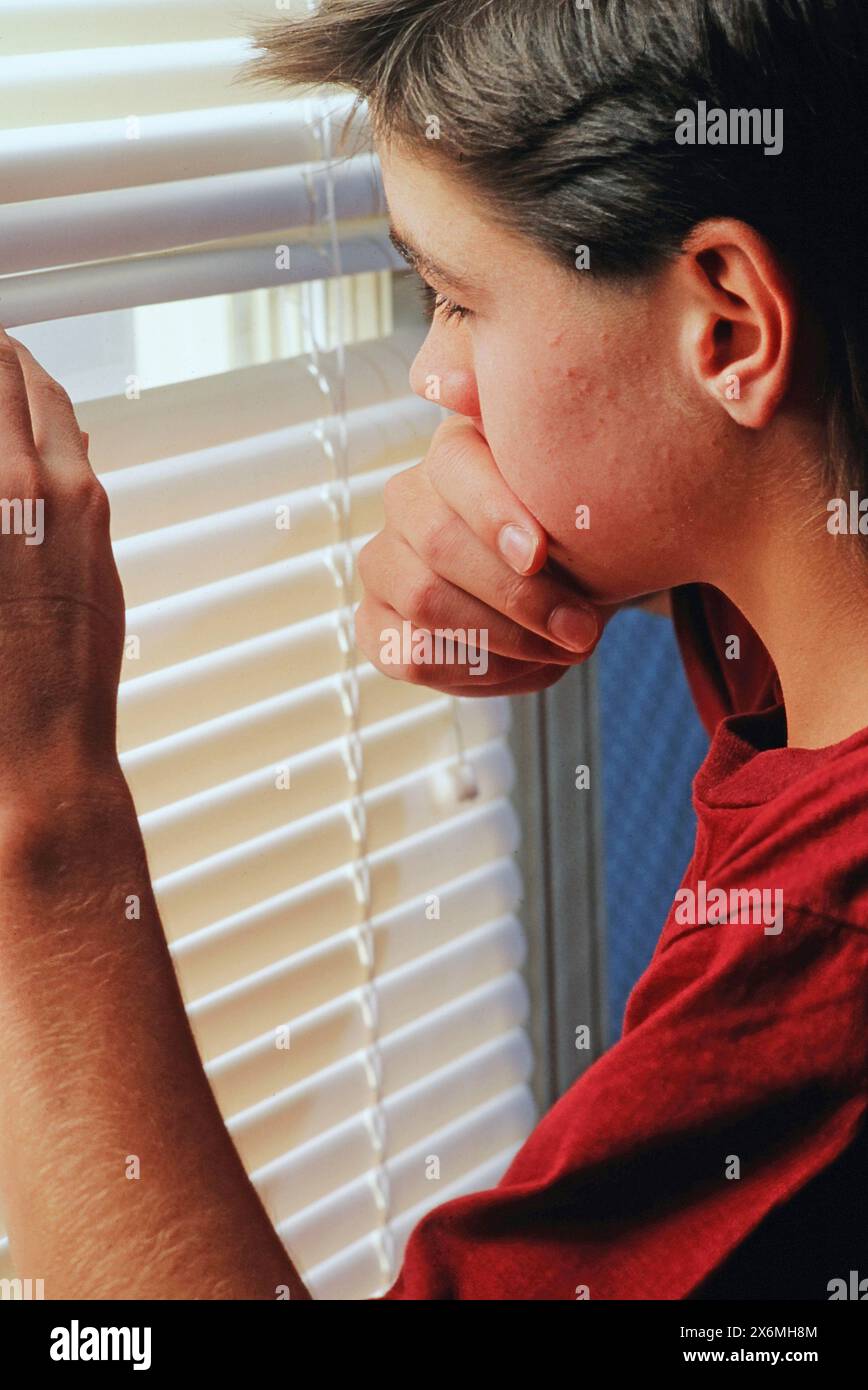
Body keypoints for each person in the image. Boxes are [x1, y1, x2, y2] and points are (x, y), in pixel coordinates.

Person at [1, 0, 868, 1300]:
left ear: (731, 328)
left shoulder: (820, 973)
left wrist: (44, 822)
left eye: (456, 298)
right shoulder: (783, 629)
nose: (428, 372)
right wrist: (601, 552)